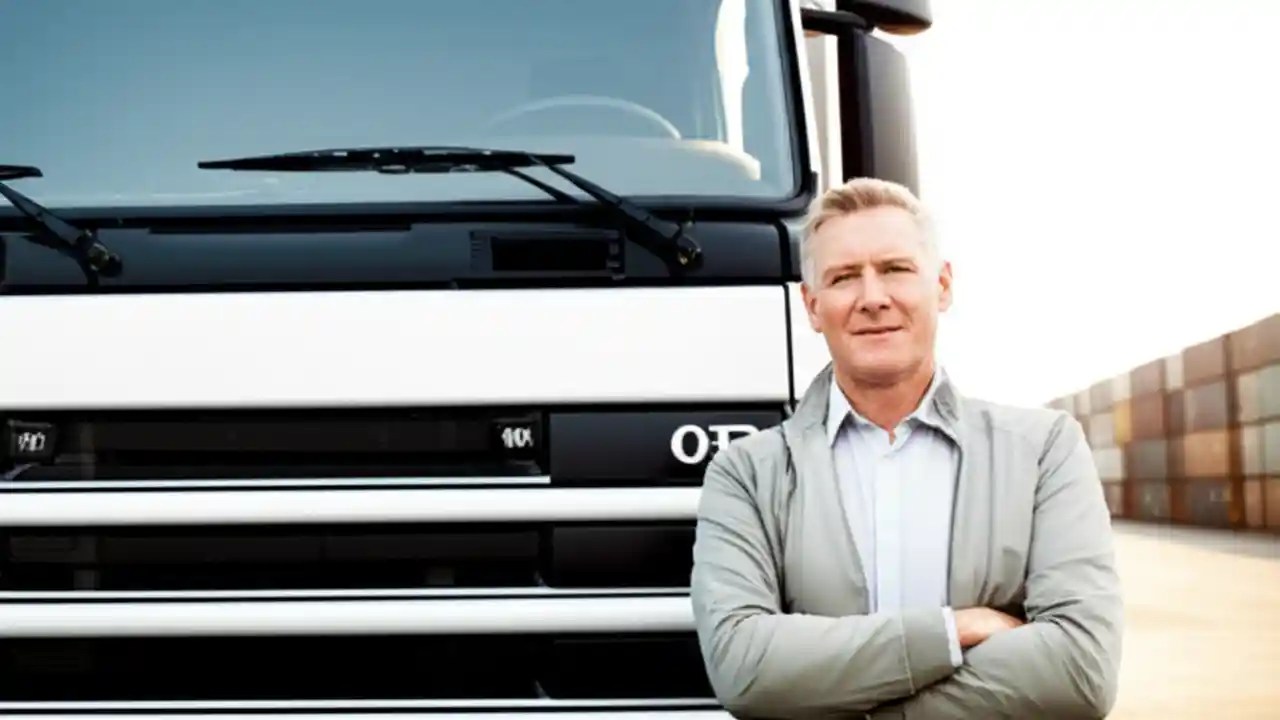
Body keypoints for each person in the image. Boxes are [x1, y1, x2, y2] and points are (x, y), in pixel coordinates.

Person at [689, 177, 1123, 719]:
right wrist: (954, 630)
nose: (873, 298)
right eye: (845, 278)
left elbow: (1080, 670)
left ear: (941, 285)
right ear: (812, 304)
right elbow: (745, 669)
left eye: (895, 269)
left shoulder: (1044, 451)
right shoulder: (746, 475)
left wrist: (852, 704)